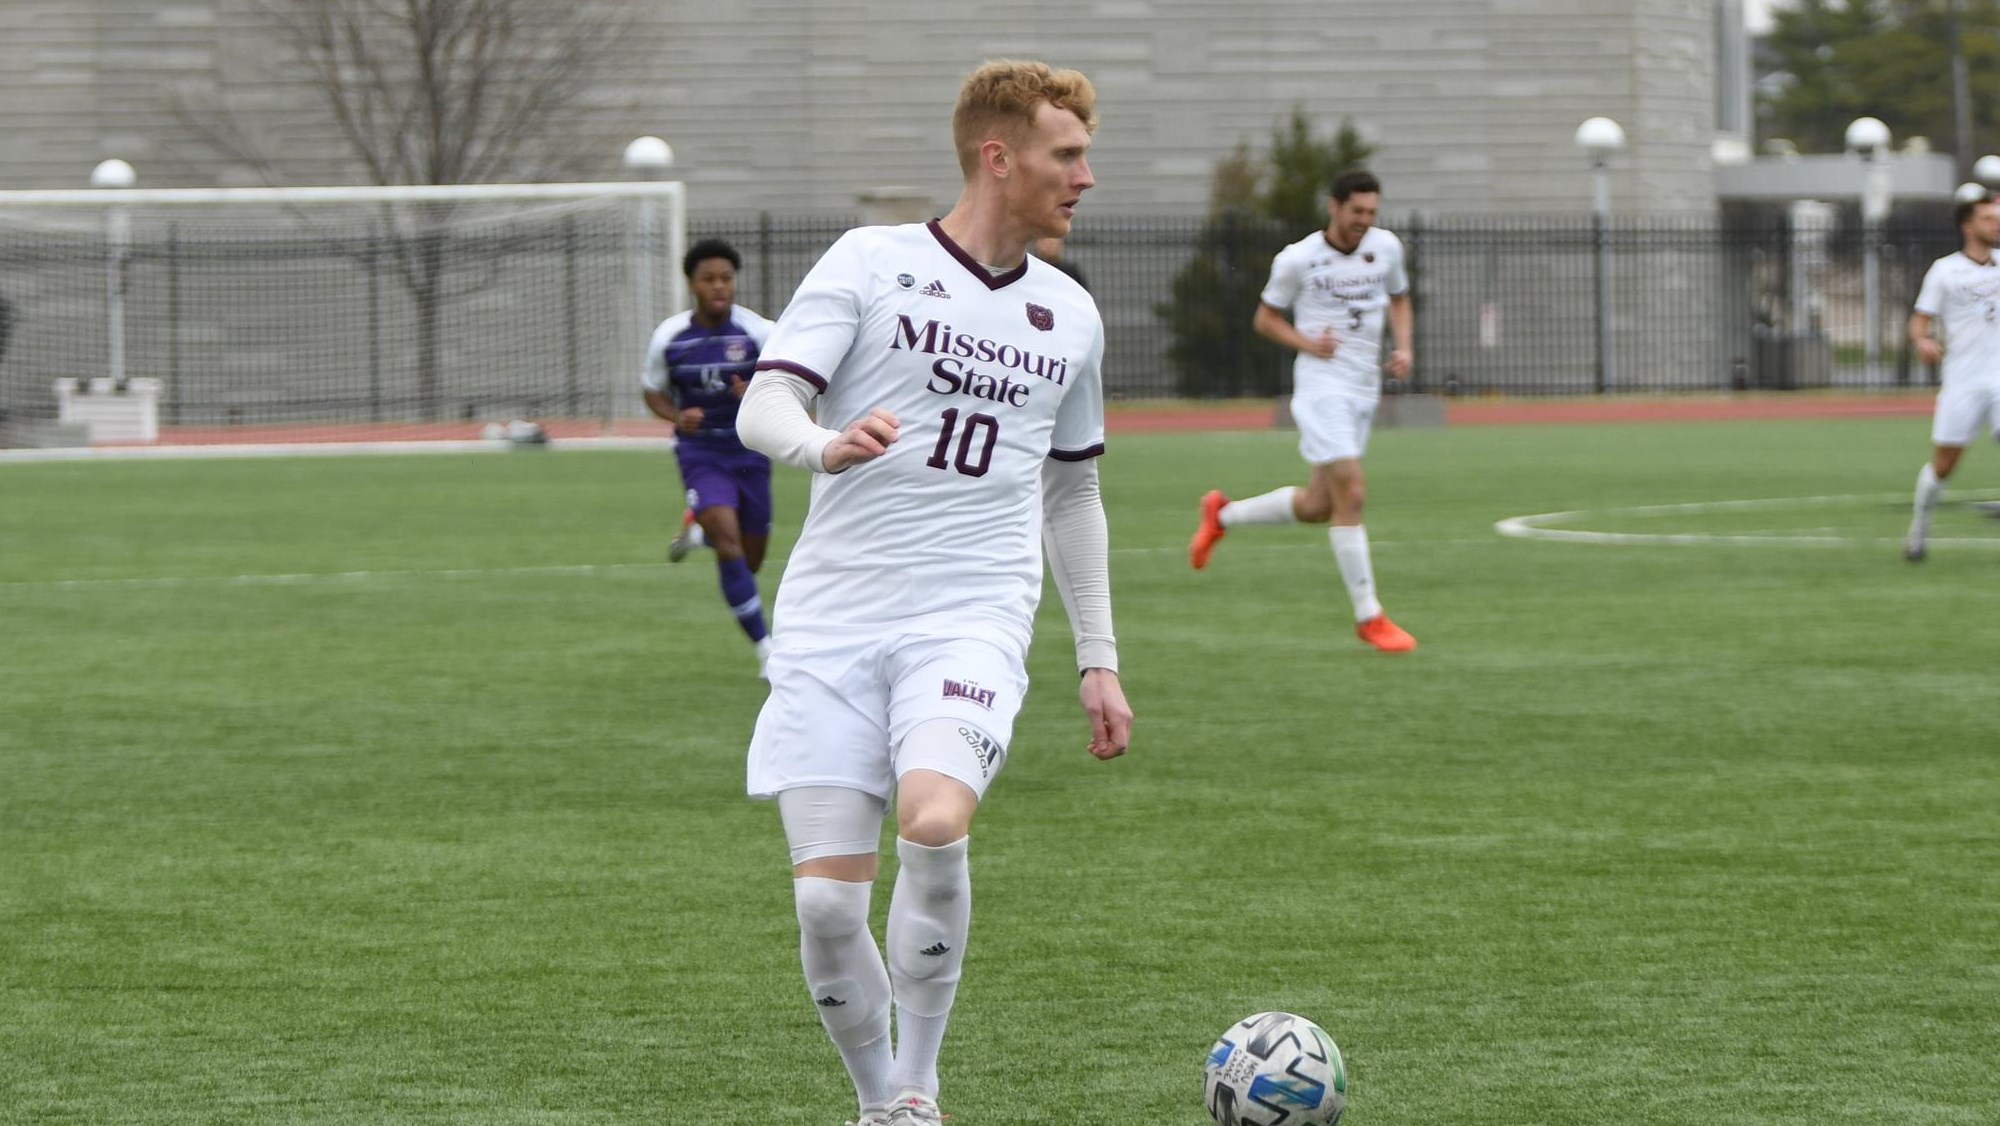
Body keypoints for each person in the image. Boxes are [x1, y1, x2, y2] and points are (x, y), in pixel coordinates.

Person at [735, 59, 1132, 1126]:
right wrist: (824, 446)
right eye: (1066, 155)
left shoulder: (1070, 314)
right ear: (997, 158)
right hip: (831, 616)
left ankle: (919, 1084)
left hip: (970, 615)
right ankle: (877, 1105)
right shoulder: (871, 262)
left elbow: (1073, 487)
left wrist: (1096, 656)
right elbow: (764, 403)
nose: (1084, 177)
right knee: (825, 902)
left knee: (935, 817)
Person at [1187, 169, 1418, 653]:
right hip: (1320, 388)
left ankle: (1222, 515)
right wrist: (1307, 344)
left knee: (1320, 506)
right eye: (1356, 211)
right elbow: (1265, 319)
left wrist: (1404, 348)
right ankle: (1369, 616)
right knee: (1352, 492)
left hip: (1363, 388)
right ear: (1333, 207)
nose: (1364, 221)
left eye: (1371, 213)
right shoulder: (1298, 259)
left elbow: (1399, 299)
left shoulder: (1387, 248)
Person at [639, 238, 777, 671]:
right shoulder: (670, 337)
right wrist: (678, 417)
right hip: (701, 453)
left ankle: (699, 533)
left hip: (751, 449)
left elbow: (791, 385)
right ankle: (766, 651)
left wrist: (756, 391)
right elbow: (652, 391)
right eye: (709, 279)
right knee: (730, 544)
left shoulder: (759, 333)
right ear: (692, 285)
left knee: (750, 559)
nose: (719, 286)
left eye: (726, 278)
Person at [1905, 191, 2000, 562]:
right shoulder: (1945, 271)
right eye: (1987, 219)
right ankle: (1919, 531)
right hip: (1963, 381)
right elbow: (1919, 320)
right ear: (1967, 226)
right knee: (1944, 465)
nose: (1995, 224)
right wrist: (1922, 340)